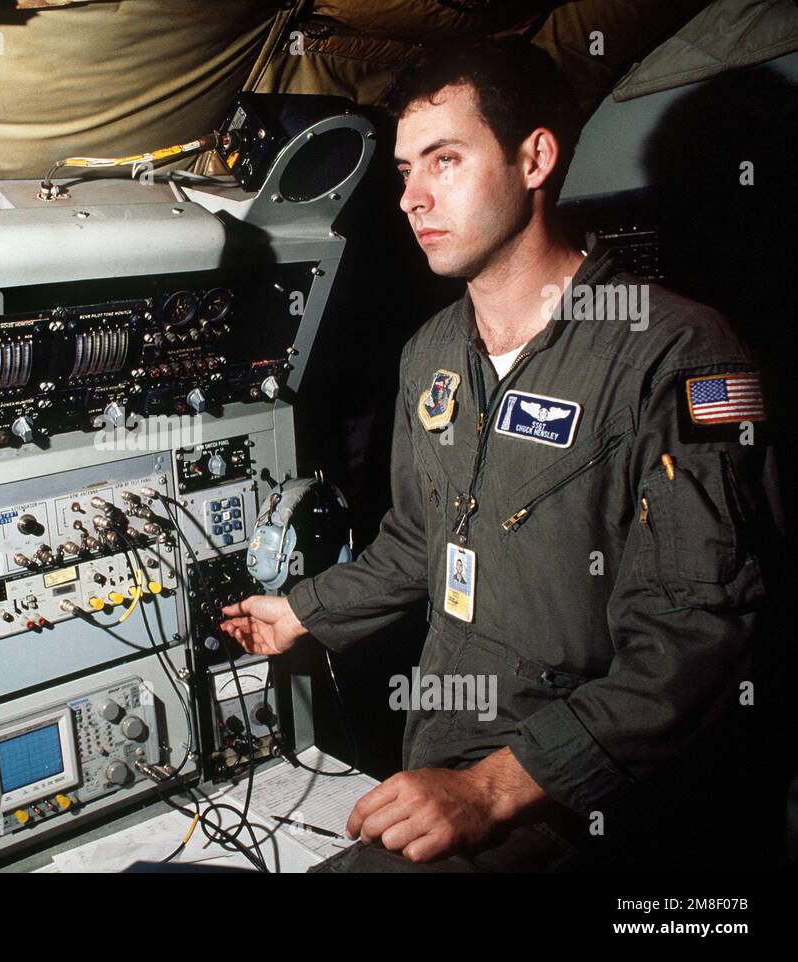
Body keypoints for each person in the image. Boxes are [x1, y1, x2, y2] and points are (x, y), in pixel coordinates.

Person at [219, 37, 780, 872]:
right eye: (406, 170)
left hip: (574, 796)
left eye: (445, 160)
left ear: (534, 158)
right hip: (443, 754)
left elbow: (697, 634)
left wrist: (494, 789)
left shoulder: (677, 351)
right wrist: (305, 611)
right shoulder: (433, 351)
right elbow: (420, 539)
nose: (412, 197)